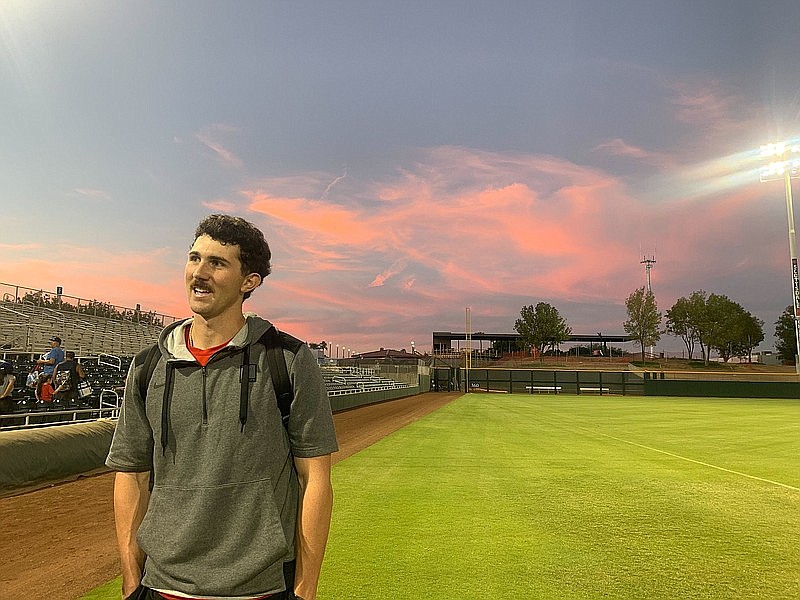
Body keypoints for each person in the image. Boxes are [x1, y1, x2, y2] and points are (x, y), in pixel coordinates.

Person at [106, 214, 338, 600]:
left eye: (217, 263)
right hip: (161, 587)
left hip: (261, 588)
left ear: (250, 282)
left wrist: (305, 588)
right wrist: (132, 580)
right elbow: (132, 474)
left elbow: (314, 479)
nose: (200, 272)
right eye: (194, 258)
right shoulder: (148, 365)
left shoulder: (289, 359)